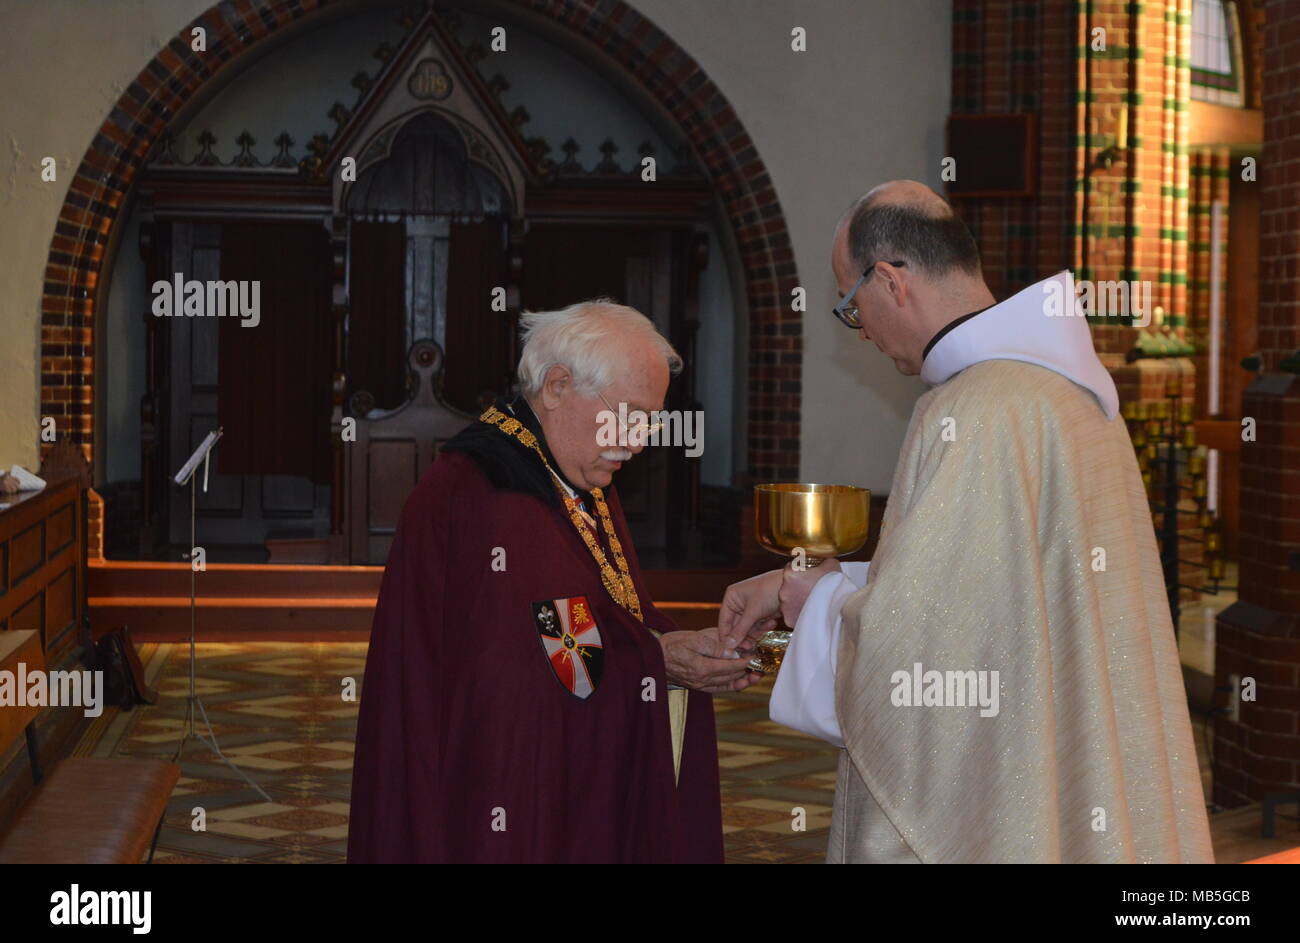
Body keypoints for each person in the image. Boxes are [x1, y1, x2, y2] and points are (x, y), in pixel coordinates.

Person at [719, 181, 1214, 863]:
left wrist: (813, 600)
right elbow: (994, 592)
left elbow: (927, 653)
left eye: (849, 305)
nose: (859, 331)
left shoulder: (980, 409)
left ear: (889, 280)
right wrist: (798, 585)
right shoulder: (1055, 390)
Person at [349, 300, 757, 863]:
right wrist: (657, 658)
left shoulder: (570, 472)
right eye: (631, 416)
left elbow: (610, 611)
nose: (638, 441)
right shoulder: (491, 491)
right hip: (494, 792)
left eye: (652, 422)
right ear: (558, 386)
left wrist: (671, 643)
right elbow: (540, 666)